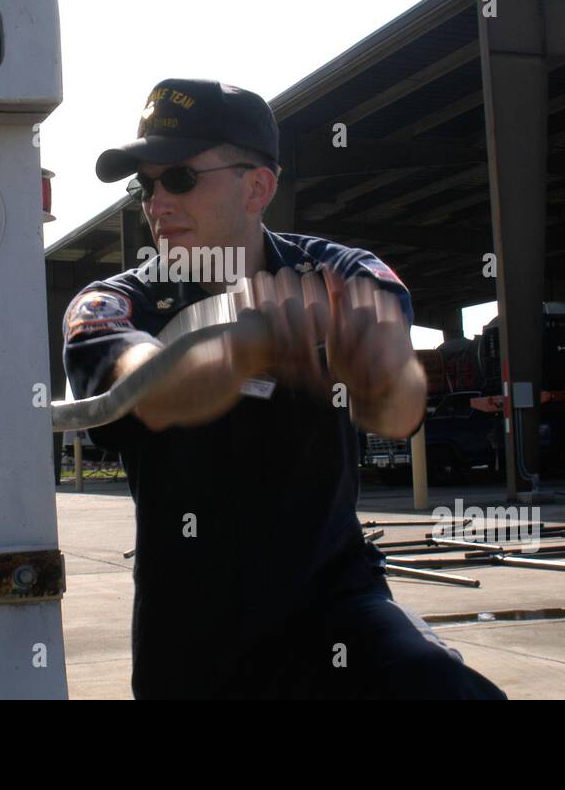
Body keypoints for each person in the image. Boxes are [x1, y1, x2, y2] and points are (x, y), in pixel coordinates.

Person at [63, 78, 506, 700]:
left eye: (181, 178)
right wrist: (237, 346)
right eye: (147, 184)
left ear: (259, 186)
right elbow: (140, 391)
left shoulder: (342, 274)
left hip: (336, 602)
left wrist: (375, 367)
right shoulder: (115, 301)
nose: (157, 203)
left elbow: (399, 409)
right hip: (192, 634)